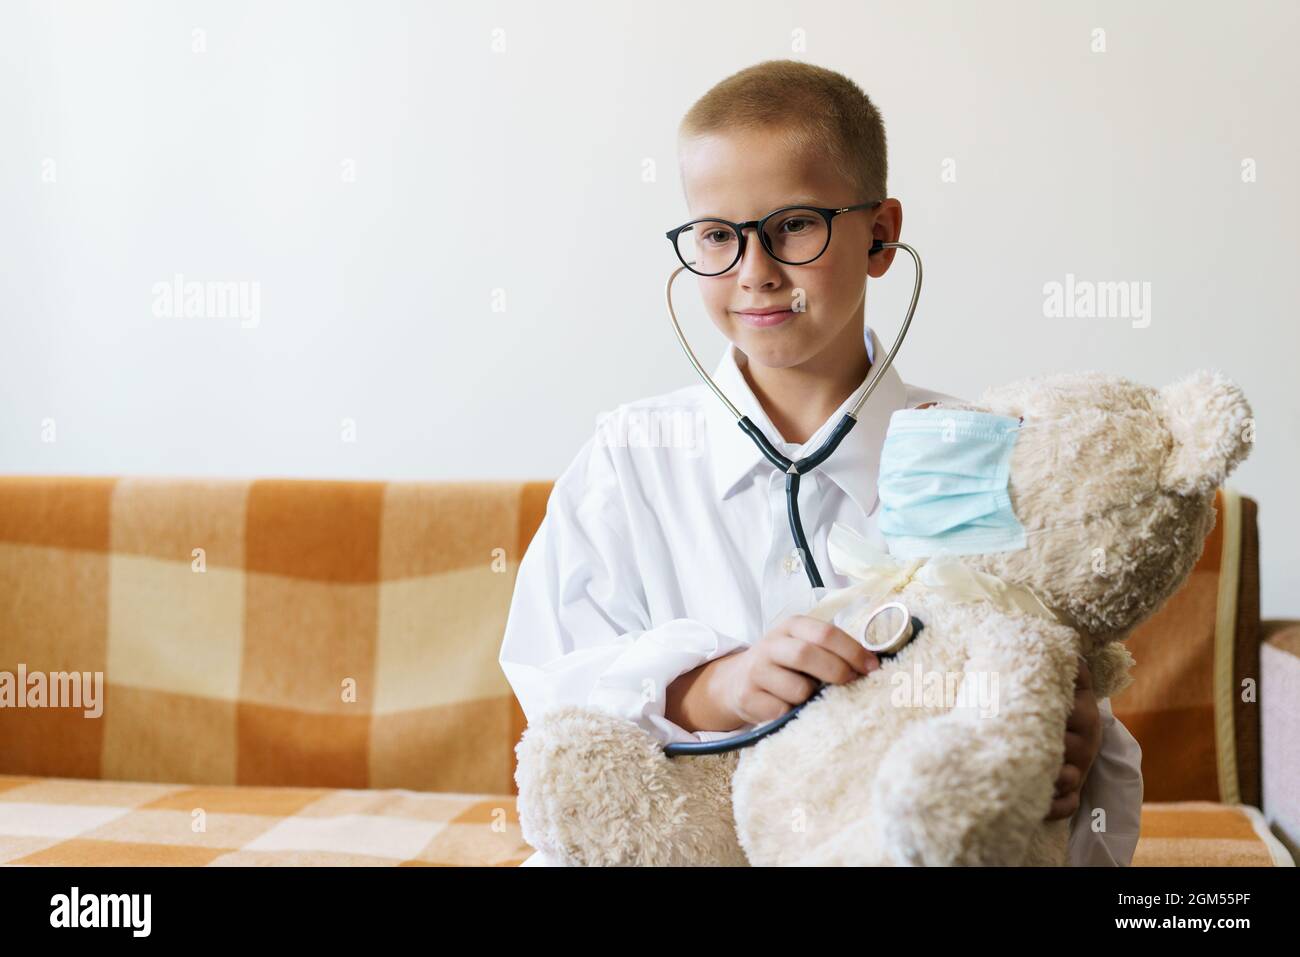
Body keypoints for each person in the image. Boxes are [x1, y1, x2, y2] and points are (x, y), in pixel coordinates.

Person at [501, 59, 1142, 867]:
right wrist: (714, 689)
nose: (754, 270)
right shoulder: (630, 461)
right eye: (717, 235)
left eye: (794, 224)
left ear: (880, 235)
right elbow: (557, 704)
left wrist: (1073, 745)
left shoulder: (972, 455)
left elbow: (1053, 697)